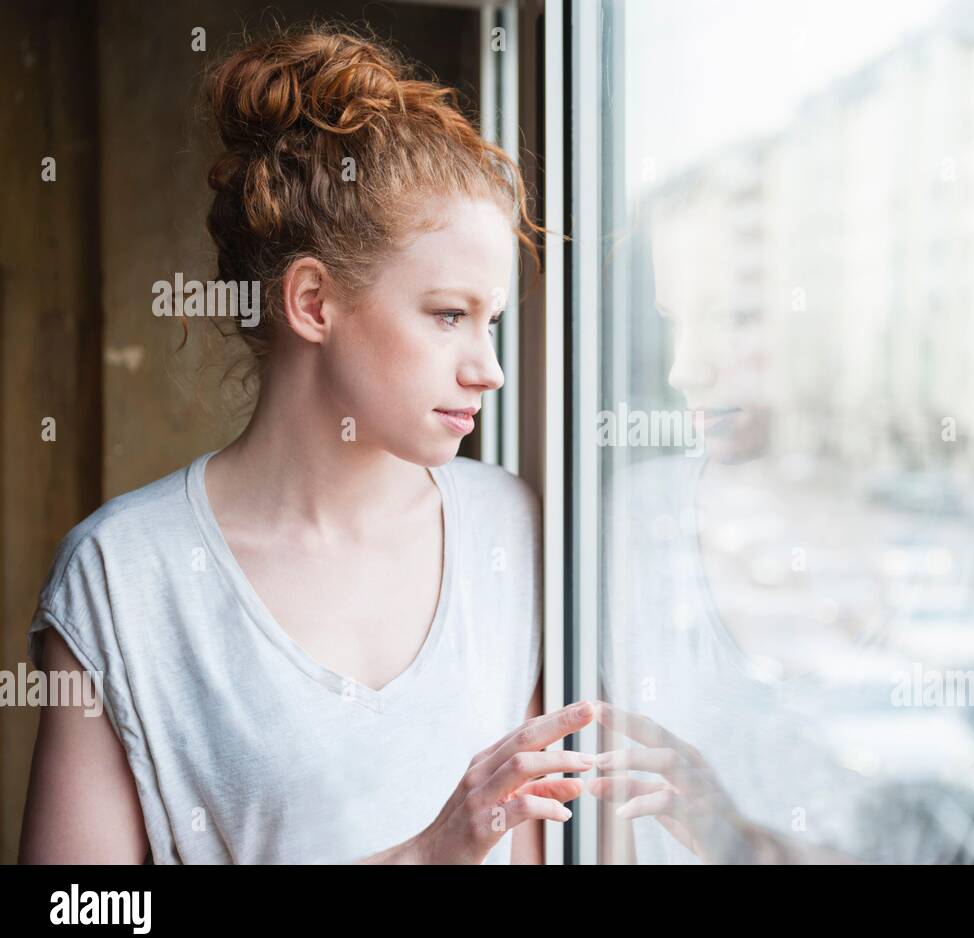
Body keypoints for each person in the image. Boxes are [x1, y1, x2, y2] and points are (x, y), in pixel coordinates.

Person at [18, 25, 592, 865]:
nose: (491, 370)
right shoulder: (123, 577)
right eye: (447, 315)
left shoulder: (518, 529)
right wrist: (421, 857)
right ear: (314, 303)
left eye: (492, 321)